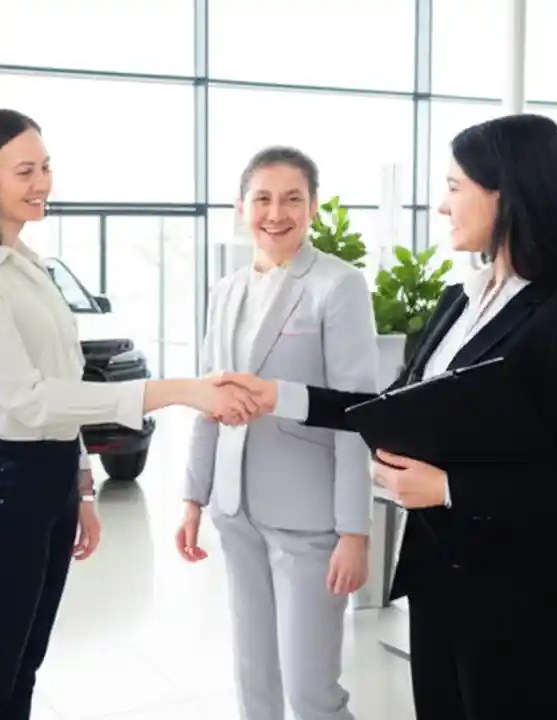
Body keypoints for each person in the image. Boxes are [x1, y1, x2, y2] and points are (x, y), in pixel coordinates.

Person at [222, 114, 557, 720]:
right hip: (440, 575)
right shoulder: (459, 300)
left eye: (455, 186)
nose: (443, 205)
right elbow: (392, 408)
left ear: (506, 192)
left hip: (519, 590)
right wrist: (278, 394)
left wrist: (445, 487)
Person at [0, 108, 262, 720]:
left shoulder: (29, 264)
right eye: (24, 170)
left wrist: (82, 485)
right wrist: (170, 391)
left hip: (52, 473)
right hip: (7, 481)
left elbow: (63, 384)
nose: (42, 182)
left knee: (25, 660)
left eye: (46, 166)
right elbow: (26, 398)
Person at [179, 147, 375, 720]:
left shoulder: (338, 287)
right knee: (254, 679)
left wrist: (355, 532)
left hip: (310, 516)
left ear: (312, 207)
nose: (276, 212)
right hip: (235, 507)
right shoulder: (225, 290)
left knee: (312, 689)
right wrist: (195, 495)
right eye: (262, 198)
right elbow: (207, 400)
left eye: (292, 198)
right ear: (242, 207)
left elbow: (355, 411)